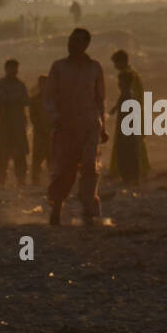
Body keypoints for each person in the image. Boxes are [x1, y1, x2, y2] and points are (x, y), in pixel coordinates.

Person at [45, 28, 108, 226]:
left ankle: (89, 210)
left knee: (90, 166)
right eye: (71, 40)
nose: (72, 44)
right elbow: (49, 96)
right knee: (64, 168)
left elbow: (100, 100)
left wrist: (103, 127)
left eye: (77, 41)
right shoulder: (58, 67)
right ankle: (56, 208)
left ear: (85, 45)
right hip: (65, 124)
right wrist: (55, 117)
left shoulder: (95, 68)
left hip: (90, 124)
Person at [108, 50, 149, 187]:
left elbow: (128, 94)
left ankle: (126, 171)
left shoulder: (127, 76)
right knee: (134, 143)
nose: (114, 66)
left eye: (115, 63)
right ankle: (138, 170)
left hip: (131, 113)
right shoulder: (132, 74)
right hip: (134, 111)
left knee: (127, 143)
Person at [0, 59, 30, 187]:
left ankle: (21, 180)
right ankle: (2, 180)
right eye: (11, 68)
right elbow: (0, 100)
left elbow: (26, 100)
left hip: (19, 124)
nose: (13, 71)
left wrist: (12, 99)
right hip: (4, 123)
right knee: (3, 154)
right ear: (6, 69)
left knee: (20, 154)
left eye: (15, 68)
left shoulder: (21, 84)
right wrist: (15, 99)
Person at [28, 74, 52, 184]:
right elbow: (32, 117)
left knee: (51, 155)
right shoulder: (34, 100)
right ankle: (35, 178)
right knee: (38, 155)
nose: (44, 86)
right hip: (39, 131)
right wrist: (39, 127)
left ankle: (52, 178)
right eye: (42, 83)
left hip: (51, 131)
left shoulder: (54, 100)